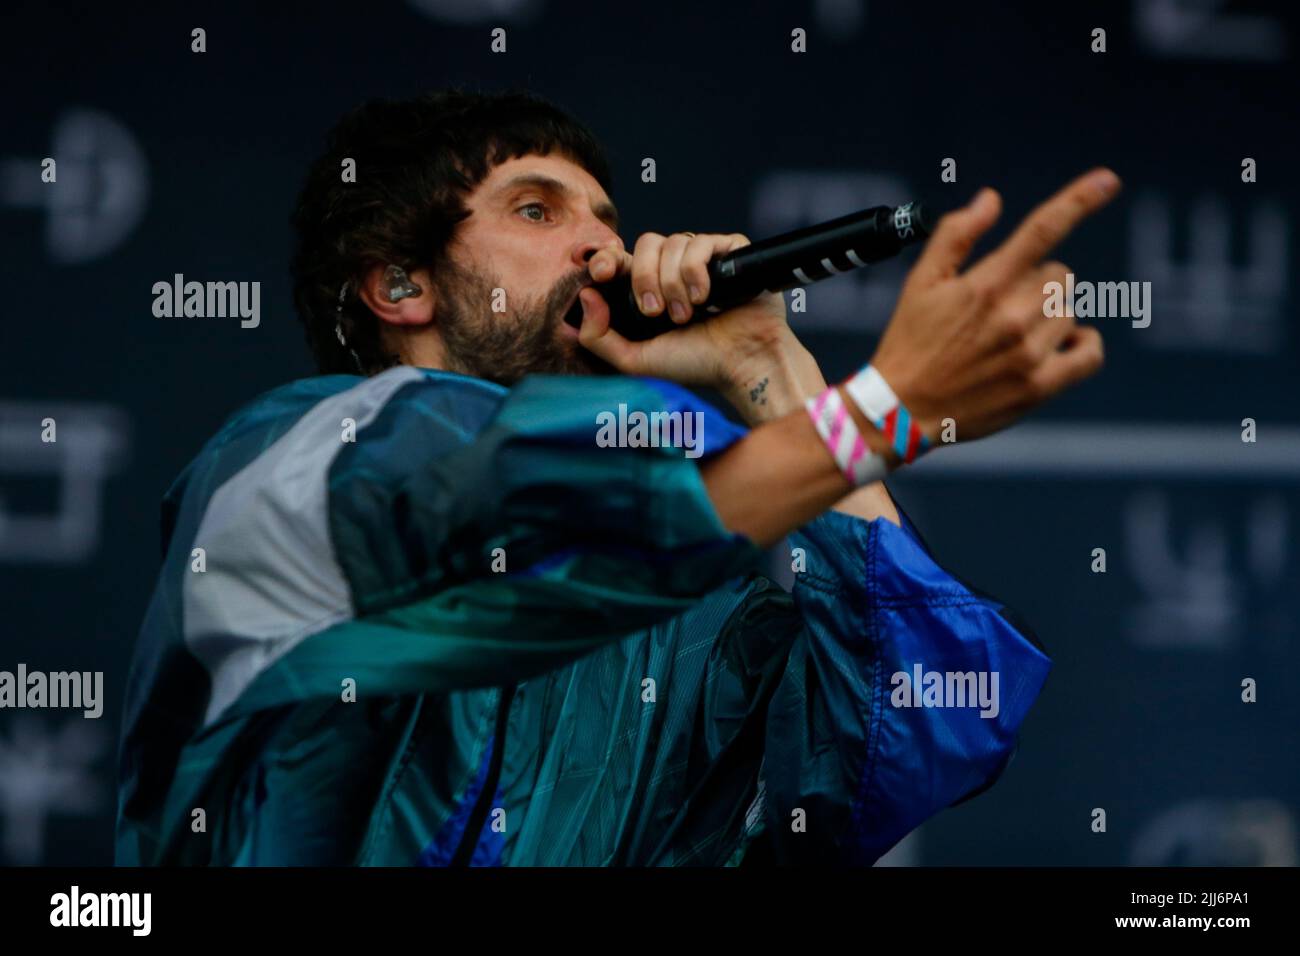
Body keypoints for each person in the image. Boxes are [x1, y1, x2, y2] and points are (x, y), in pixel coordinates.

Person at [116, 89, 1115, 866]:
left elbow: (928, 721)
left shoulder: (673, 618)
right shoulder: (293, 451)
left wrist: (771, 372)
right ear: (400, 284)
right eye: (536, 209)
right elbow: (490, 481)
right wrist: (875, 411)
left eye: (605, 218)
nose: (603, 247)